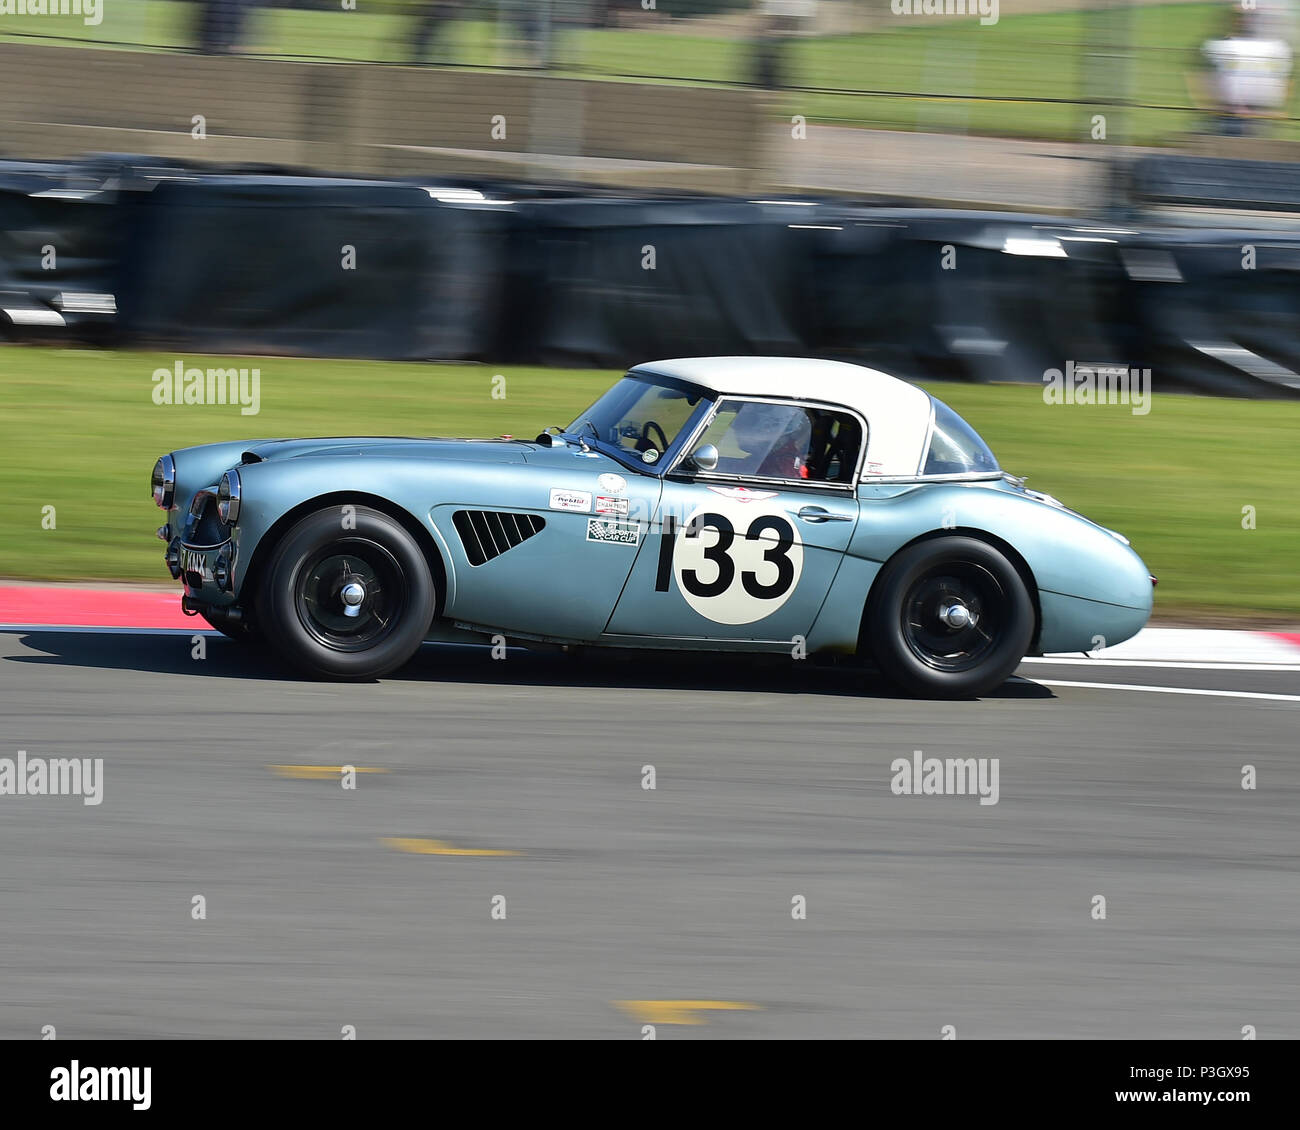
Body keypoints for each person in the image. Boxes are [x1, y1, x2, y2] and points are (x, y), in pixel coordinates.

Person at [1191, 4, 1293, 136]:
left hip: (1259, 117)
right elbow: (1200, 77)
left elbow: (1285, 79)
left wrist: (1274, 108)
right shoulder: (1217, 46)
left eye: (1251, 16)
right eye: (1241, 16)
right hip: (1225, 115)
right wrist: (1209, 106)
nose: (1246, 20)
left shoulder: (1275, 48)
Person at [727, 403, 813, 480]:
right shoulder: (764, 460)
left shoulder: (780, 468)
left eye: (747, 420)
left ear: (768, 428)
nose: (732, 425)